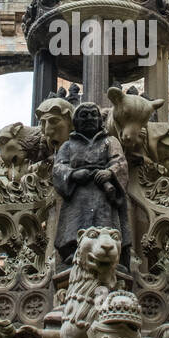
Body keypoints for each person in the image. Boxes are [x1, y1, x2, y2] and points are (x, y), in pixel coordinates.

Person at [51, 102, 130, 266]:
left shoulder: (110, 141)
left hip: (103, 191)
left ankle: (111, 252)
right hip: (78, 194)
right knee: (76, 223)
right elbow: (58, 168)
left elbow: (120, 162)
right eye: (84, 115)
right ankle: (73, 252)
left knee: (105, 222)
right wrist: (73, 174)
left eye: (93, 115)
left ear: (100, 120)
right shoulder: (68, 145)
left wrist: (110, 172)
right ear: (76, 122)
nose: (89, 118)